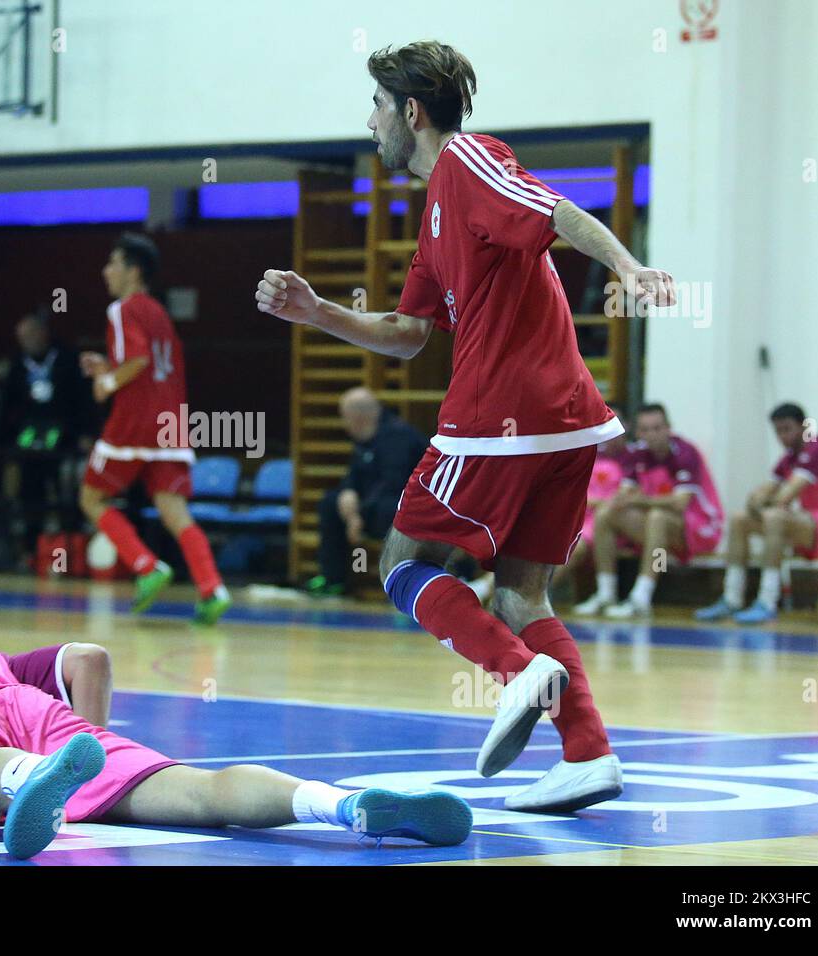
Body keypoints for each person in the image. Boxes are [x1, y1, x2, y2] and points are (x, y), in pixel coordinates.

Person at [256, 40, 677, 812]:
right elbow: (411, 331)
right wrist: (316, 313)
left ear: (410, 112)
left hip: (498, 418)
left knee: (400, 566)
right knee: (522, 597)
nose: (371, 121)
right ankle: (586, 754)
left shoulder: (467, 161)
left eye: (378, 106)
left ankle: (517, 675)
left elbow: (555, 210)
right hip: (566, 424)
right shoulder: (437, 211)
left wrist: (626, 266)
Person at [0, 638, 474, 860]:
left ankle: (27, 778)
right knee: (196, 790)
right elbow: (89, 658)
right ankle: (340, 805)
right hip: (27, 704)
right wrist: (86, 740)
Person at [78, 233, 231, 626]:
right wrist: (109, 369)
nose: (105, 271)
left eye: (113, 263)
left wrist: (105, 383)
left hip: (134, 421)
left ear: (133, 270)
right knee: (175, 511)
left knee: (92, 499)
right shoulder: (160, 313)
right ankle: (212, 588)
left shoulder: (122, 308)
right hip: (170, 423)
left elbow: (140, 361)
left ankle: (146, 566)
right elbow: (153, 364)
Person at [696, 403, 818, 624]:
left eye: (787, 429)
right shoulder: (789, 458)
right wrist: (756, 501)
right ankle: (732, 598)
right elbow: (761, 493)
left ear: (803, 427)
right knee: (739, 520)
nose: (783, 436)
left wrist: (763, 503)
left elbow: (786, 496)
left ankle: (768, 601)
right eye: (778, 431)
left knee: (776, 516)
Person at [574, 404, 723, 619]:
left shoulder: (685, 453)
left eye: (657, 428)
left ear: (668, 428)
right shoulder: (637, 455)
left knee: (657, 518)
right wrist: (615, 501)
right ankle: (606, 594)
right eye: (646, 429)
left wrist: (640, 500)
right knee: (606, 513)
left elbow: (679, 504)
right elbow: (625, 496)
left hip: (700, 527)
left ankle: (641, 597)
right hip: (661, 529)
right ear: (638, 432)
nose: (652, 435)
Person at [306, 387, 427, 596]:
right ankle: (333, 579)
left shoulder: (397, 436)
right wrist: (348, 492)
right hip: (371, 507)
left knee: (389, 510)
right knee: (330, 502)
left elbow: (393, 484)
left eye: (345, 417)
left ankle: (405, 584)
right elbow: (354, 475)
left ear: (357, 416)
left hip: (406, 507)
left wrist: (358, 513)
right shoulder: (365, 440)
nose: (344, 424)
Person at [0, 315, 96, 552]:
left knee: (67, 491)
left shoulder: (67, 359)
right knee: (30, 490)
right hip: (30, 435)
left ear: (43, 334)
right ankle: (33, 547)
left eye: (30, 335)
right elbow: (6, 404)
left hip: (65, 435)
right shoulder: (18, 363)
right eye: (21, 338)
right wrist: (6, 438)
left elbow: (84, 399)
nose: (26, 342)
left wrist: (86, 433)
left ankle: (71, 545)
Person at [550, 405, 630, 593]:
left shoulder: (632, 459)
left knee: (571, 548)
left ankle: (532, 596)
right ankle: (491, 586)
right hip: (578, 520)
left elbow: (622, 501)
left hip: (606, 525)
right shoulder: (589, 454)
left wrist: (593, 502)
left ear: (625, 426)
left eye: (614, 424)